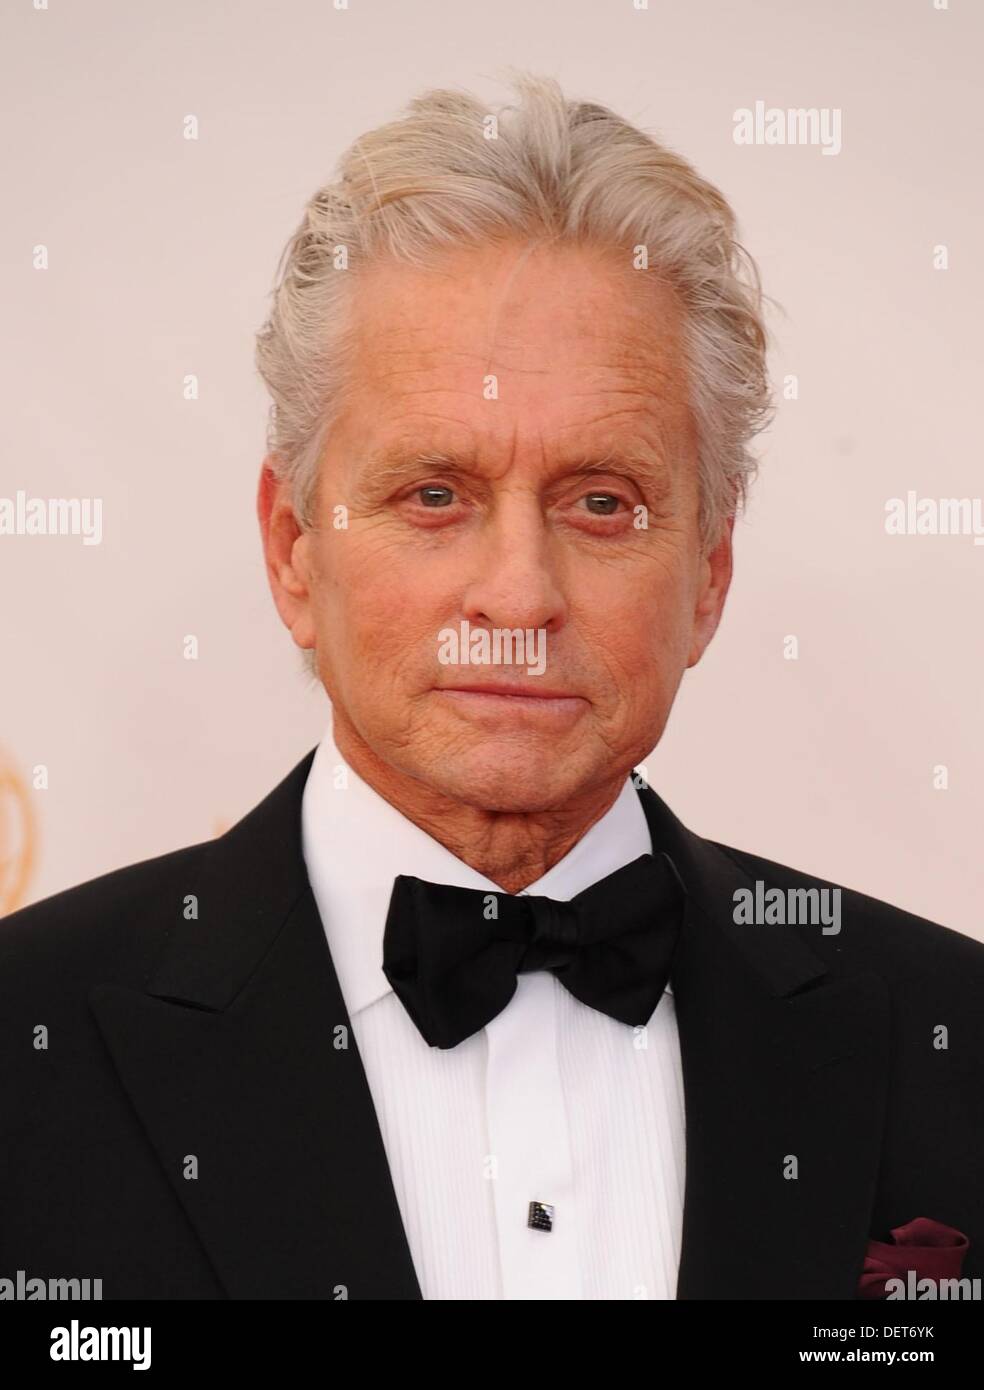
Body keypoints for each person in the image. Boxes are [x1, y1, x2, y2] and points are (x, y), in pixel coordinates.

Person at [2, 74, 981, 1301]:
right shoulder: (22, 1043)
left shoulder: (953, 1039)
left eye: (602, 503)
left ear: (711, 573)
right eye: (434, 495)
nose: (519, 597)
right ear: (293, 549)